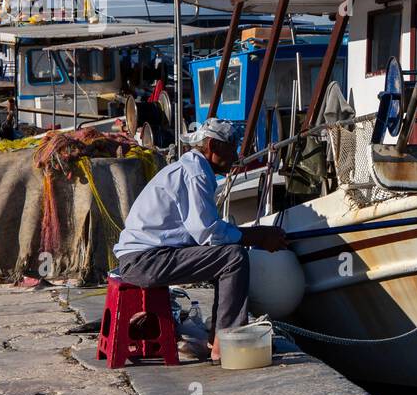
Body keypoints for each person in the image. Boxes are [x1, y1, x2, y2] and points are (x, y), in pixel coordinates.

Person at [113, 118, 288, 363]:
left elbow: (204, 234)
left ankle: (218, 336)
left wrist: (249, 236)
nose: (236, 155)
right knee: (233, 258)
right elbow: (209, 233)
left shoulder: (192, 168)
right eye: (232, 147)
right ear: (212, 146)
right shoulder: (195, 173)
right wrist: (259, 235)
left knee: (226, 254)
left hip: (145, 257)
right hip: (145, 261)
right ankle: (225, 343)